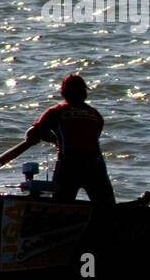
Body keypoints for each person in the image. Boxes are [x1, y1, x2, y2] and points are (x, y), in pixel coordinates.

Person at [24, 73, 115, 204]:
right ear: (84, 93)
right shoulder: (95, 114)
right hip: (95, 165)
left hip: (69, 165)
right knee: (107, 206)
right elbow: (88, 139)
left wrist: (53, 140)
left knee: (61, 204)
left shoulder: (56, 111)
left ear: (63, 93)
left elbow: (31, 135)